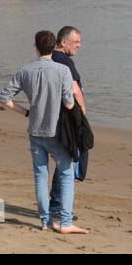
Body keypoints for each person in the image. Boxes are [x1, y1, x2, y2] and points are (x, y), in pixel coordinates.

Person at [0, 30, 88, 234]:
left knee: (40, 176)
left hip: (35, 129)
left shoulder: (25, 70)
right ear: (54, 46)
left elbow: (4, 98)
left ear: (36, 48)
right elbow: (69, 101)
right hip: (57, 130)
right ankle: (65, 222)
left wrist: (26, 112)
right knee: (65, 173)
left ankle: (45, 222)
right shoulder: (63, 70)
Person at [48, 26, 85, 224]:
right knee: (66, 163)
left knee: (59, 163)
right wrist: (82, 118)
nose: (79, 46)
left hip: (51, 118)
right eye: (76, 42)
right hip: (66, 120)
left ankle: (53, 204)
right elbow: (75, 90)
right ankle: (56, 206)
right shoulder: (65, 61)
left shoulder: (50, 58)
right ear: (64, 42)